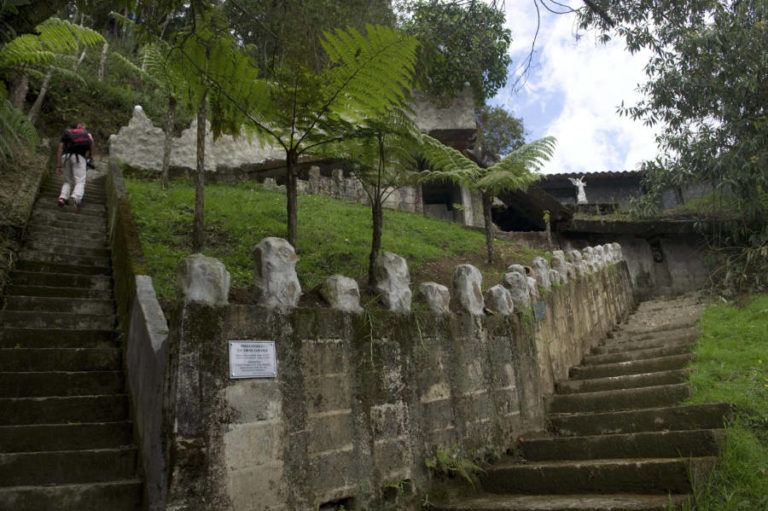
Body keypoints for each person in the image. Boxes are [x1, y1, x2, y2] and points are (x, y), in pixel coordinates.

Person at [56, 122, 95, 212]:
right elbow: (92, 144)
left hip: (65, 157)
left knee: (67, 180)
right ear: (81, 127)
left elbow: (60, 149)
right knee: (80, 181)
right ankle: (75, 197)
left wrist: (58, 166)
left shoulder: (67, 133)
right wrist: (91, 157)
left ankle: (62, 197)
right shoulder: (87, 134)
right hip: (79, 158)